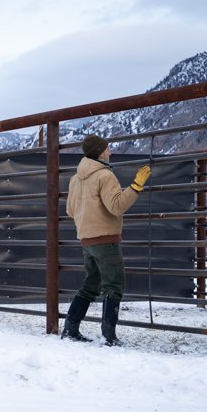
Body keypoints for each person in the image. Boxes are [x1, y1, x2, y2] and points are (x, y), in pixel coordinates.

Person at [63, 134, 152, 346]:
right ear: (100, 152)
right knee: (114, 285)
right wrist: (136, 186)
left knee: (90, 285)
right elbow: (117, 206)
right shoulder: (105, 175)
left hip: (86, 240)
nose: (110, 152)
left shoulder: (75, 178)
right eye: (107, 149)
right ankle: (109, 336)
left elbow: (69, 210)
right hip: (106, 239)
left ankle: (70, 328)